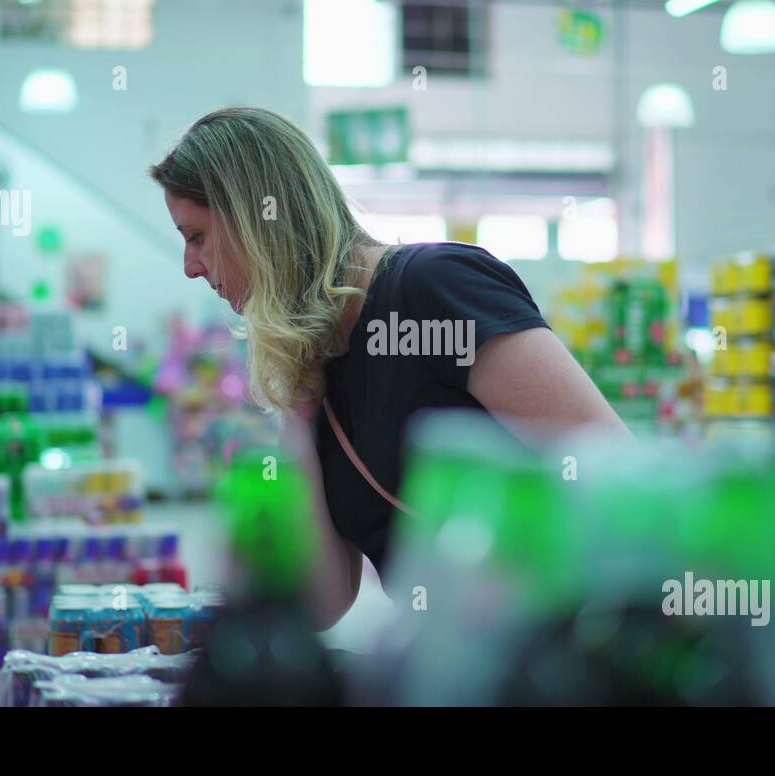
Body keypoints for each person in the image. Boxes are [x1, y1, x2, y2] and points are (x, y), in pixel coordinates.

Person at [150, 107, 629, 630]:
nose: (190, 266)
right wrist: (298, 415)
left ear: (254, 218)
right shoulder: (317, 363)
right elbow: (322, 602)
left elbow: (617, 470)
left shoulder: (435, 287)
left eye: (196, 236)